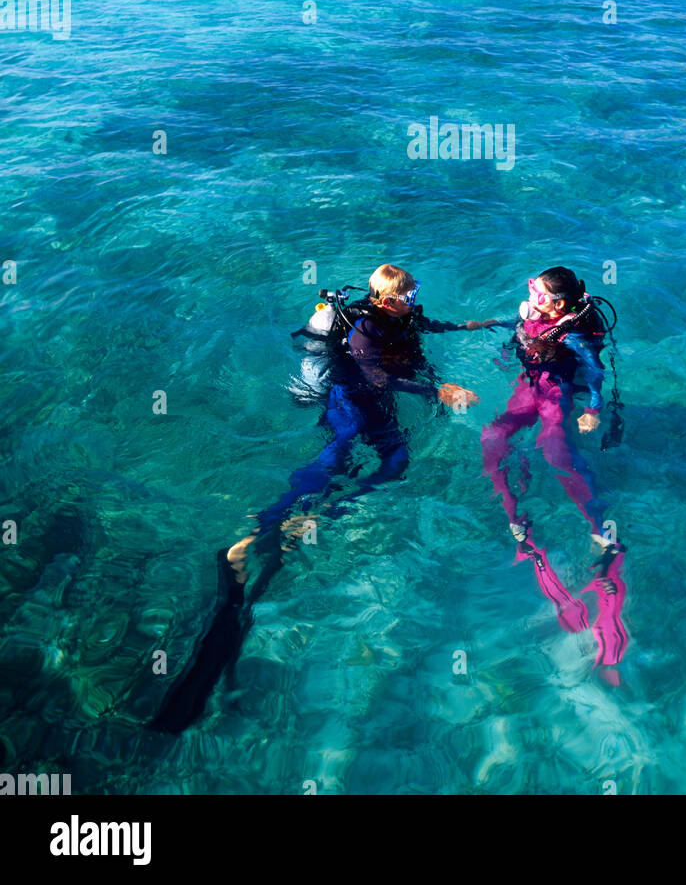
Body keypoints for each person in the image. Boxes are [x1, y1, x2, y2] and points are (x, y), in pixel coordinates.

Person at [151, 264, 489, 733]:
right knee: (338, 456)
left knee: (393, 465)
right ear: (387, 299)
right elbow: (375, 379)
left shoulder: (402, 315)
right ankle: (257, 533)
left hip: (377, 399)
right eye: (410, 295)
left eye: (416, 293)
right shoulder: (364, 328)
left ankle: (312, 517)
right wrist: (439, 388)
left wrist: (478, 325)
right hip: (351, 398)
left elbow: (424, 326)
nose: (415, 300)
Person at [480, 267, 627, 673]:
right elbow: (519, 336)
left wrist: (593, 409)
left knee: (554, 449)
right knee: (492, 438)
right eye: (531, 286)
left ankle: (600, 530)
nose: (531, 295)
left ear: (559, 304)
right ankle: (515, 519)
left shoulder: (575, 331)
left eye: (538, 293)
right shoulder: (538, 314)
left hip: (555, 393)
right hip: (529, 386)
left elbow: (594, 370)